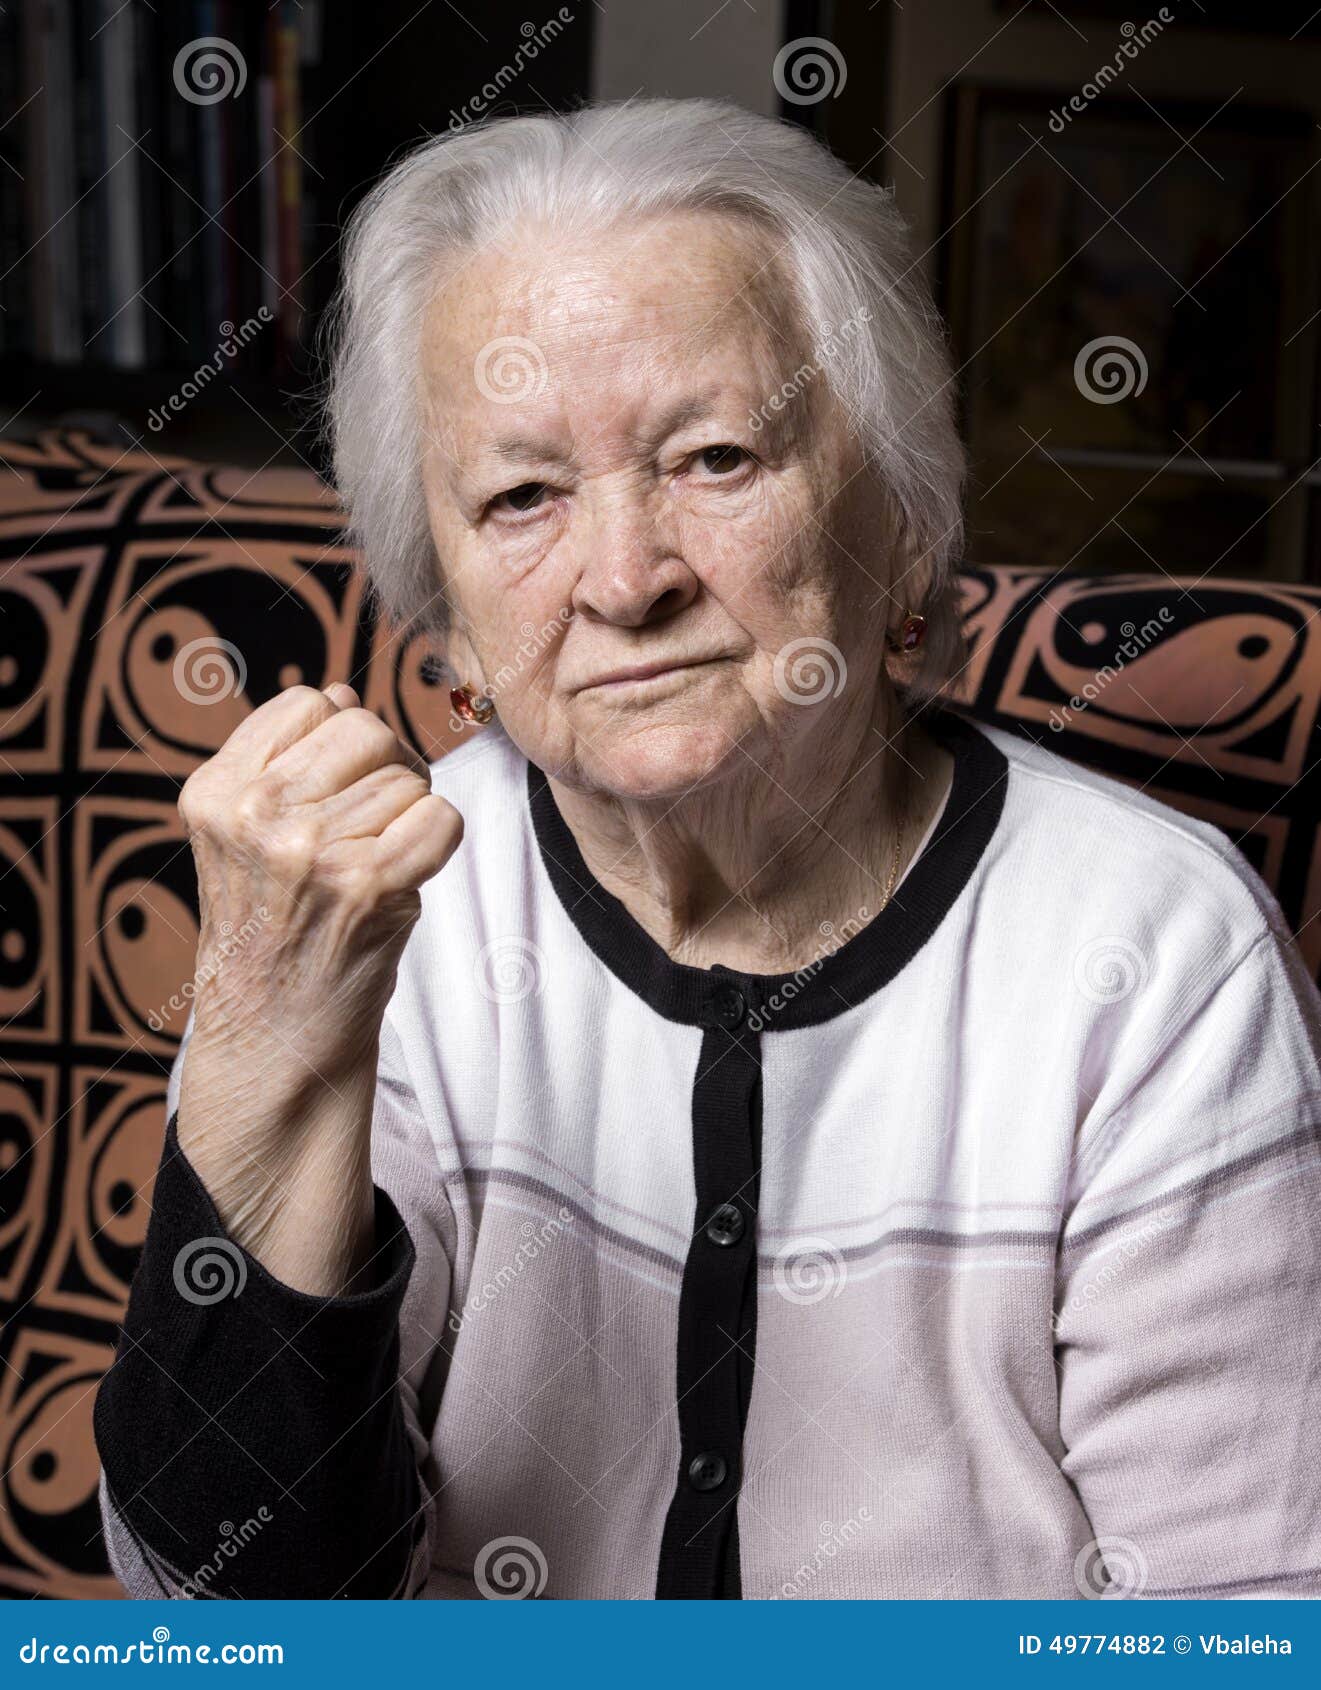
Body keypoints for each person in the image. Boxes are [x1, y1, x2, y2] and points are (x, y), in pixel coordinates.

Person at [95, 98, 1321, 1601]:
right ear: (446, 614)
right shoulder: (360, 910)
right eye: (521, 495)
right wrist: (260, 1050)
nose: (624, 581)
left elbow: (1239, 1622)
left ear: (900, 521)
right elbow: (219, 1613)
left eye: (716, 457)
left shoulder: (1159, 952)